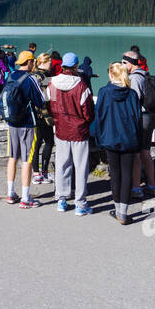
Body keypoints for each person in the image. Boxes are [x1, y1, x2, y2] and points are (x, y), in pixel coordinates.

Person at [94, 63, 145, 224]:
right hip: (129, 139)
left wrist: (99, 137)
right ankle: (123, 212)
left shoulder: (104, 92)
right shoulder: (131, 94)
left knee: (115, 174)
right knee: (127, 174)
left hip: (110, 138)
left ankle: (117, 209)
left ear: (111, 75)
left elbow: (99, 116)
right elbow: (138, 118)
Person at [49, 52, 95, 213]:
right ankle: (80, 203)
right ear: (76, 66)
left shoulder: (52, 84)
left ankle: (61, 199)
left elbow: (51, 106)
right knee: (81, 166)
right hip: (79, 131)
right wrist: (84, 123)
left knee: (62, 164)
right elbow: (88, 112)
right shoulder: (81, 86)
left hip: (60, 129)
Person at [3, 50, 47, 207]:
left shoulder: (11, 75)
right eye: (32, 62)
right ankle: (26, 197)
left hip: (12, 123)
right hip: (28, 123)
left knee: (12, 157)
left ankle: (10, 193)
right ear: (29, 62)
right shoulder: (31, 79)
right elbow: (41, 101)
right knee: (27, 159)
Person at [121, 52, 155, 198]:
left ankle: (136, 188)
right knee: (146, 152)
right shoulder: (145, 74)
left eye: (124, 62)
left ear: (130, 63)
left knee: (137, 153)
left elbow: (134, 101)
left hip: (140, 118)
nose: (122, 65)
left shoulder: (135, 78)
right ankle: (152, 185)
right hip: (149, 117)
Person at [28, 54, 56, 184]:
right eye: (49, 62)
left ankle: (36, 173)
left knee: (36, 144)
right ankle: (44, 172)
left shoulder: (32, 75)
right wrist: (50, 116)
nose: (51, 64)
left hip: (33, 114)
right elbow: (50, 99)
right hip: (44, 115)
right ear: (43, 63)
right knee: (49, 142)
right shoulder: (46, 77)